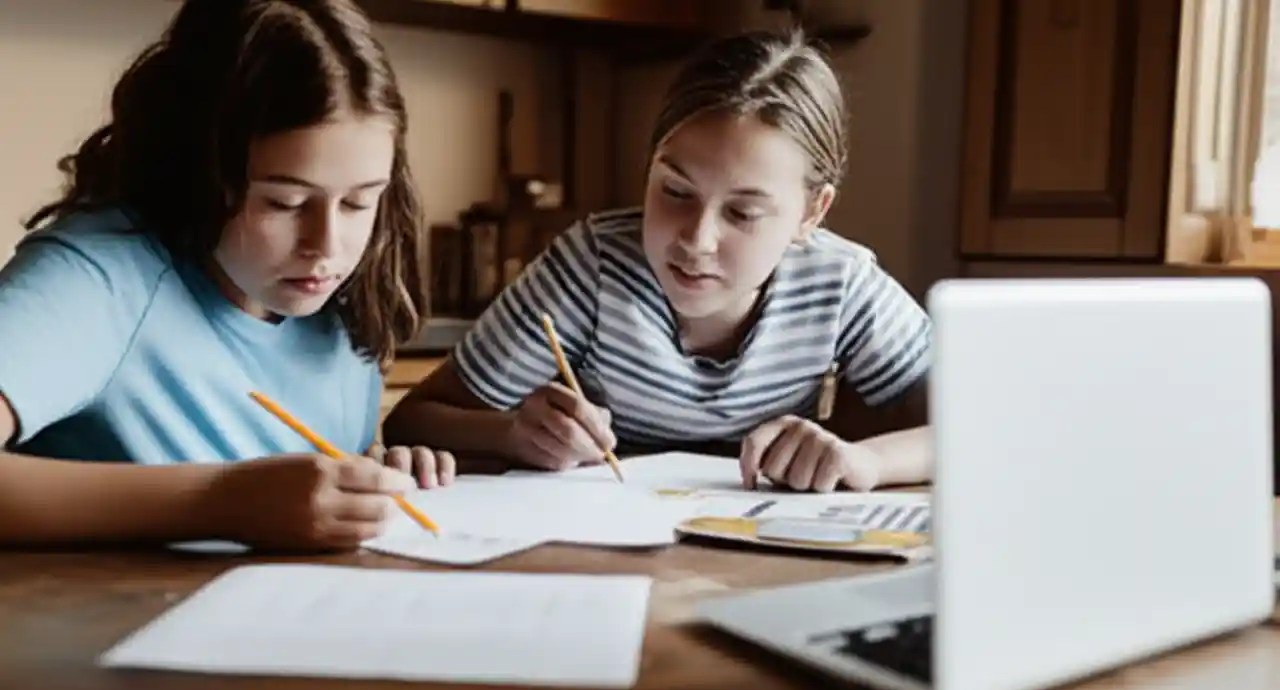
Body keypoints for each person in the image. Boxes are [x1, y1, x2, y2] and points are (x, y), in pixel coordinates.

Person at [385, 30, 932, 493]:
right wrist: (510, 434)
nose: (696, 240)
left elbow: (989, 424)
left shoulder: (841, 283)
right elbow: (413, 421)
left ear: (812, 212)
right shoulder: (592, 267)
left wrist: (868, 461)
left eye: (743, 213)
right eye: (675, 191)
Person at [0, 0, 455, 550]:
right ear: (198, 170)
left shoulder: (342, 309)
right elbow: (248, 501)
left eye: (360, 203)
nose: (327, 248)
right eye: (285, 203)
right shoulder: (99, 275)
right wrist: (221, 501)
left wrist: (369, 479)